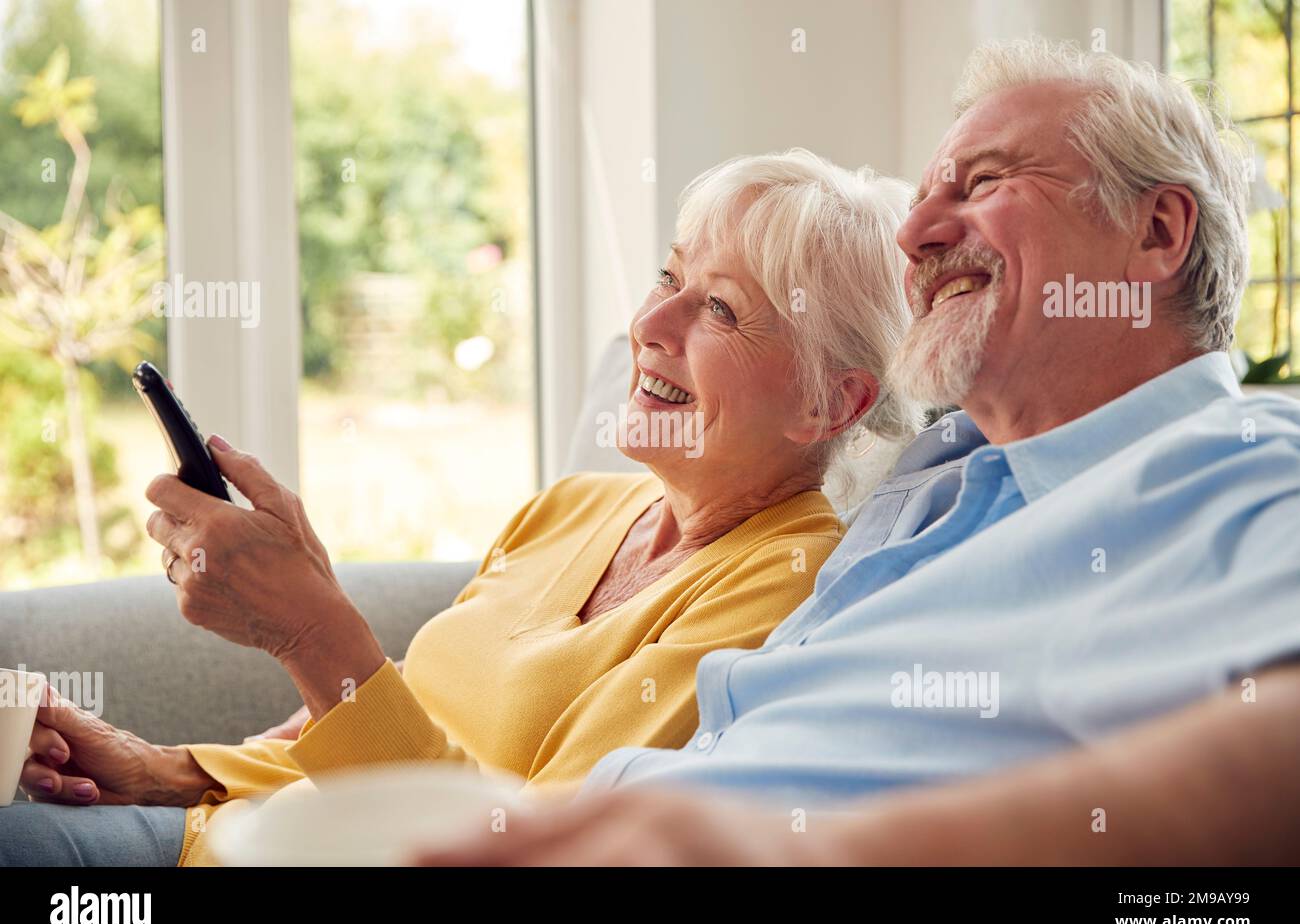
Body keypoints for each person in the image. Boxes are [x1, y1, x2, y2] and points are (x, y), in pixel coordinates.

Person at [412, 37, 1300, 866]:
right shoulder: (923, 494)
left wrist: (817, 852)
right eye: (923, 201)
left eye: (983, 183)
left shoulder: (1237, 463)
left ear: (1157, 232)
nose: (915, 235)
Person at [1, 149, 923, 867]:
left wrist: (314, 632)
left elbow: (524, 847)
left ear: (829, 404)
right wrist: (164, 771)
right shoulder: (571, 508)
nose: (651, 325)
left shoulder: (789, 590)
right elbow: (375, 732)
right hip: (220, 839)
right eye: (668, 278)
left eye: (719, 310)